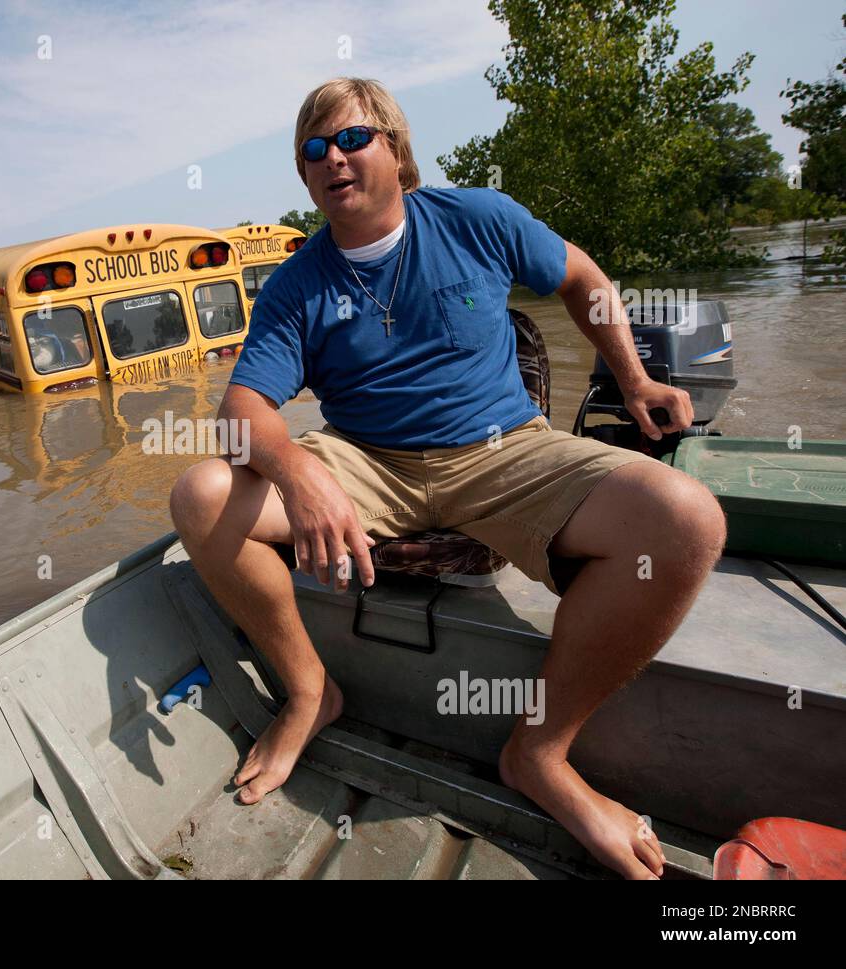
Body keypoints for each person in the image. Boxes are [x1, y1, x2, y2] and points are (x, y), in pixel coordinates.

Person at [168, 77, 726, 880]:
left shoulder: (478, 218)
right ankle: (308, 691)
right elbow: (242, 407)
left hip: (505, 453)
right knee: (201, 494)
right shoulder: (298, 282)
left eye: (353, 139)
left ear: (395, 147)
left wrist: (634, 381)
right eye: (312, 150)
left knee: (687, 520)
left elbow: (583, 279)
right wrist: (296, 468)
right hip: (369, 462)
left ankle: (540, 749)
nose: (333, 159)